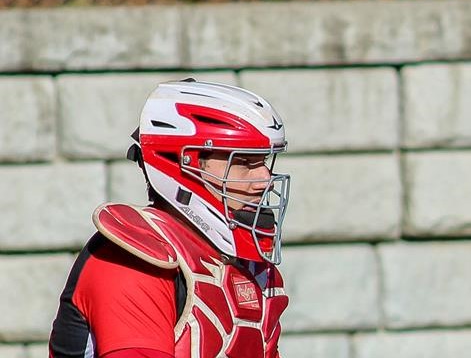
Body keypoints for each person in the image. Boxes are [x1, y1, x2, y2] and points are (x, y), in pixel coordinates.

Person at [50, 79, 291, 358]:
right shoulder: (133, 259)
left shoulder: (252, 267)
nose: (265, 179)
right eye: (243, 162)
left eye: (263, 162)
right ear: (184, 164)